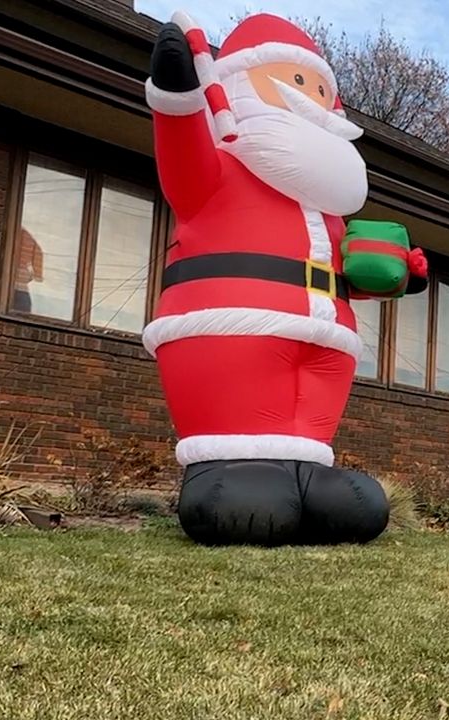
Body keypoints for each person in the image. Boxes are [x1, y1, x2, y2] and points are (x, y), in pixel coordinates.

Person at [143, 12, 428, 546]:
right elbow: (179, 147)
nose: (312, 98)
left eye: (321, 88)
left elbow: (344, 270)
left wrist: (400, 278)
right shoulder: (220, 167)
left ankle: (309, 476)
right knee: (244, 488)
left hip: (327, 339)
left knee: (338, 482)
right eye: (298, 82)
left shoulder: (328, 209)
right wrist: (176, 94)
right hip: (232, 324)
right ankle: (221, 473)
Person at [11, 228, 43, 313]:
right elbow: (38, 251)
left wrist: (37, 274)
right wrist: (37, 274)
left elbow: (37, 251)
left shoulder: (20, 232)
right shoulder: (21, 233)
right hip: (17, 285)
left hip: (17, 285)